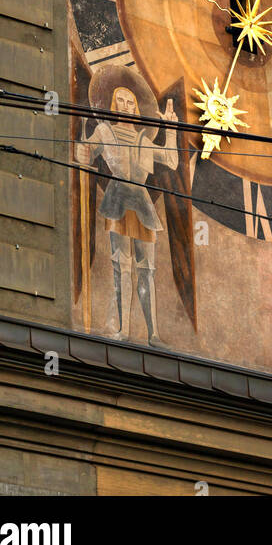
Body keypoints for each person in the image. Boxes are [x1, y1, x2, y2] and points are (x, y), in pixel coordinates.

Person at [75, 64, 178, 347]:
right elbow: (84, 155)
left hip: (142, 202)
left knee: (148, 270)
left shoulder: (146, 138)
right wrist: (81, 136)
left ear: (136, 108)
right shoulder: (105, 131)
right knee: (121, 265)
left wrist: (170, 129)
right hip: (118, 196)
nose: (126, 105)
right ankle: (121, 330)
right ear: (111, 104)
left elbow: (170, 161)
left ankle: (153, 334)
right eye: (120, 100)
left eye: (130, 102)